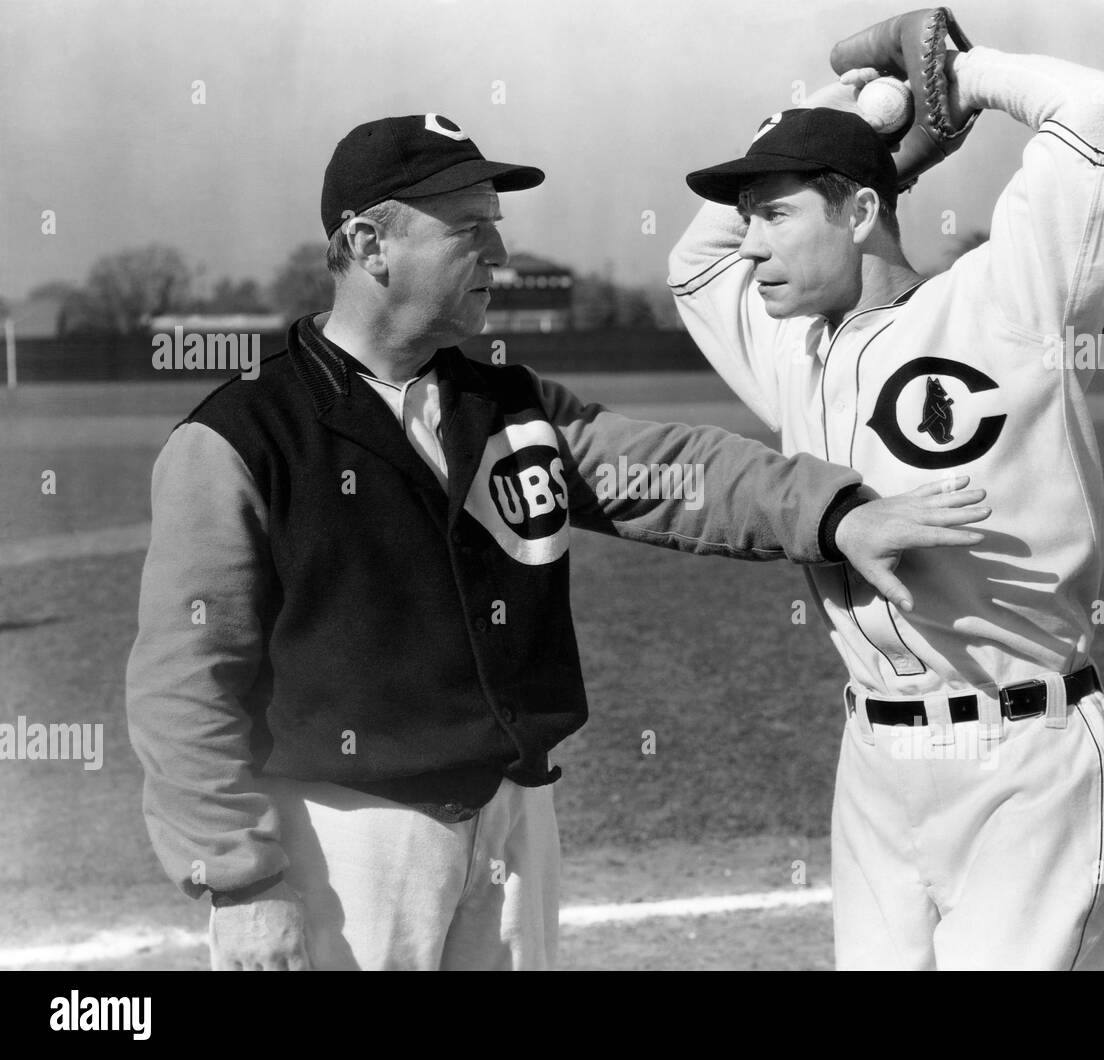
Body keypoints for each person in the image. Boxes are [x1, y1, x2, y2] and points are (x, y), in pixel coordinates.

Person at [124, 111, 989, 971]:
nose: (498, 256)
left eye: (495, 230)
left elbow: (675, 472)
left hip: (511, 821)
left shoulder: (505, 404)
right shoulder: (240, 437)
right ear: (368, 243)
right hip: (343, 839)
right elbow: (182, 684)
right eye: (470, 231)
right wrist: (237, 880)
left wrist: (837, 513)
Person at [668, 17, 1104, 970]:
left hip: (1027, 759)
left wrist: (959, 81)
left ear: (853, 216)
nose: (753, 243)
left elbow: (1092, 112)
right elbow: (695, 259)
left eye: (776, 213)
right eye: (750, 214)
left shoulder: (1005, 301)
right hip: (876, 770)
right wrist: (852, 118)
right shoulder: (794, 350)